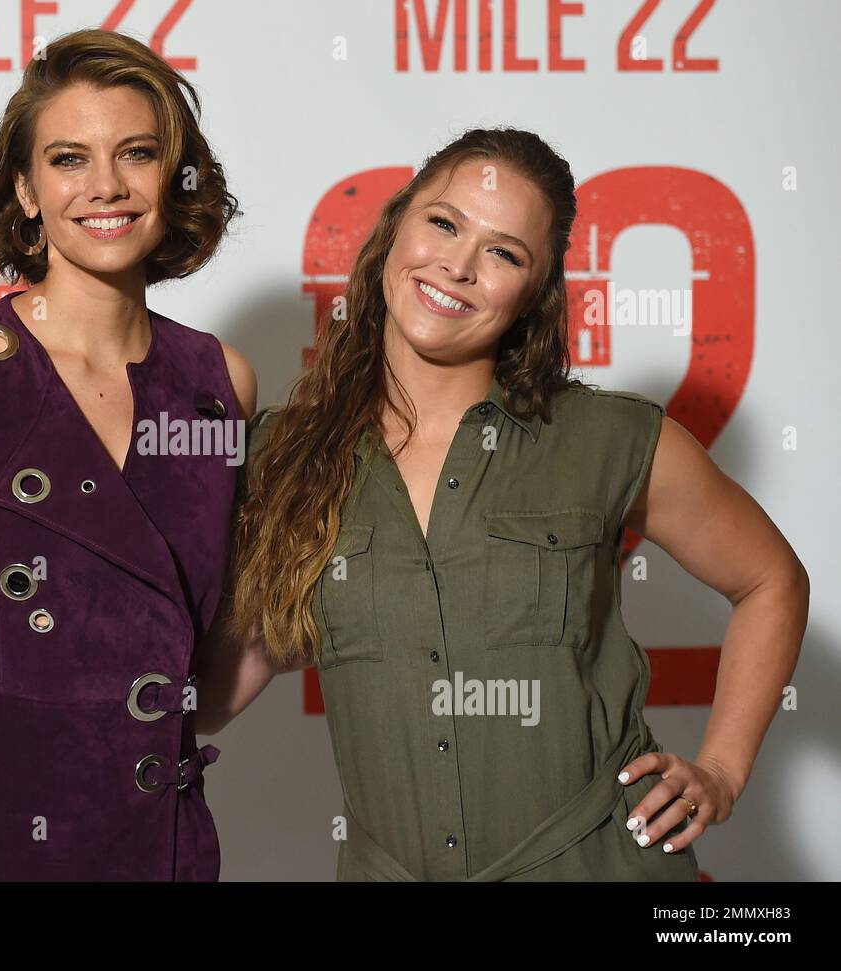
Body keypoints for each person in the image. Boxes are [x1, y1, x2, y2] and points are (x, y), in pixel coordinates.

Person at [193, 128, 808, 880]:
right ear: (395, 229)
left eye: (504, 252)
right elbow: (226, 675)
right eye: (444, 223)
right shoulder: (282, 456)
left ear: (535, 295)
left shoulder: (610, 437)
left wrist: (722, 768)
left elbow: (771, 580)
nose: (457, 264)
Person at [0, 27, 254, 881]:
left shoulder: (219, 383)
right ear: (26, 190)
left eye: (136, 153)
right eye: (69, 158)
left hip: (161, 850)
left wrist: (308, 600)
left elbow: (200, 692)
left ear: (172, 180)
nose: (105, 186)